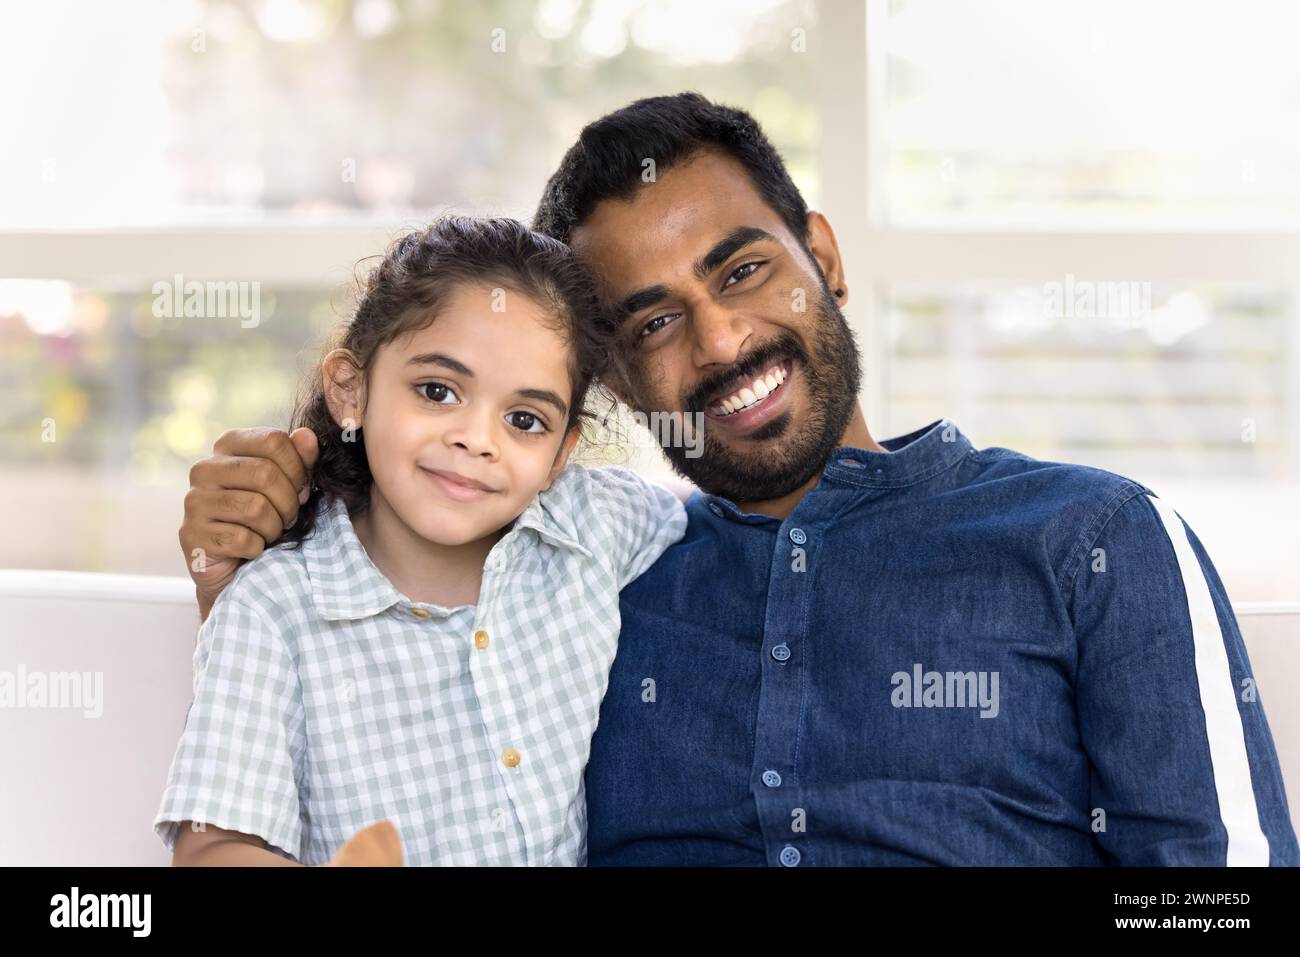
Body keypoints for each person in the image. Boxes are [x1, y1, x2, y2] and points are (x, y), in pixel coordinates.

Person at [179, 93, 1299, 866]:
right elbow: (396, 604)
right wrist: (257, 531)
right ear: (607, 382)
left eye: (746, 269)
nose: (719, 343)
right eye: (653, 320)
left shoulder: (1090, 537)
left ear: (827, 255)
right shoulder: (591, 571)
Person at [155, 216, 686, 866]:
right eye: (438, 391)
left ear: (558, 455)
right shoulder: (273, 609)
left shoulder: (593, 525)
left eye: (524, 419)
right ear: (351, 391)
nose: (476, 438)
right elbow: (215, 846)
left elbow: (745, 520)